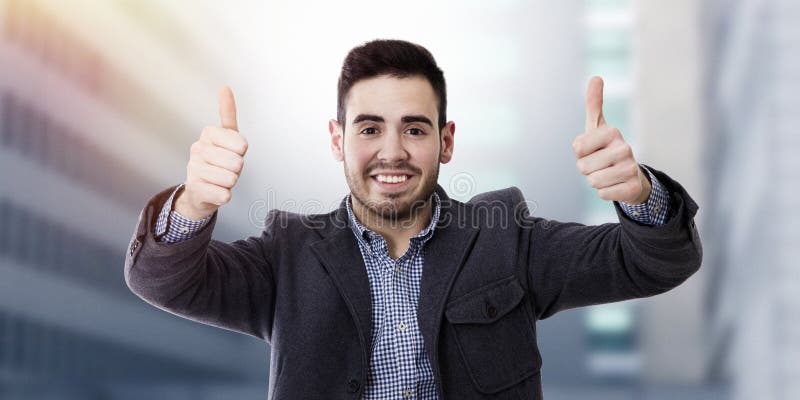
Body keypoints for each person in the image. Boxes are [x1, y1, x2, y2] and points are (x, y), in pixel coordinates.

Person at [124, 39, 702, 400]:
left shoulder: (505, 235)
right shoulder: (288, 252)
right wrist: (194, 203)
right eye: (370, 128)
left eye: (416, 128)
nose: (392, 151)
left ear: (446, 141)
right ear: (337, 140)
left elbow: (654, 264)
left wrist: (638, 195)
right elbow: (159, 280)